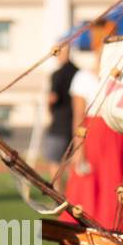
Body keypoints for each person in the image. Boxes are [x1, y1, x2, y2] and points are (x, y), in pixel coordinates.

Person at [62, 22, 123, 232]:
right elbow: (78, 118)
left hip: (118, 134)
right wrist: (79, 149)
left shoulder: (122, 76)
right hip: (94, 135)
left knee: (116, 182)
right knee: (91, 181)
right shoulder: (83, 78)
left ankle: (118, 225)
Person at [44, 43, 78, 172]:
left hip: (59, 125)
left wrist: (49, 111)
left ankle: (57, 191)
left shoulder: (57, 74)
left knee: (55, 162)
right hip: (75, 124)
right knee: (71, 163)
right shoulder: (78, 72)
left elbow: (53, 97)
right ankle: (71, 191)